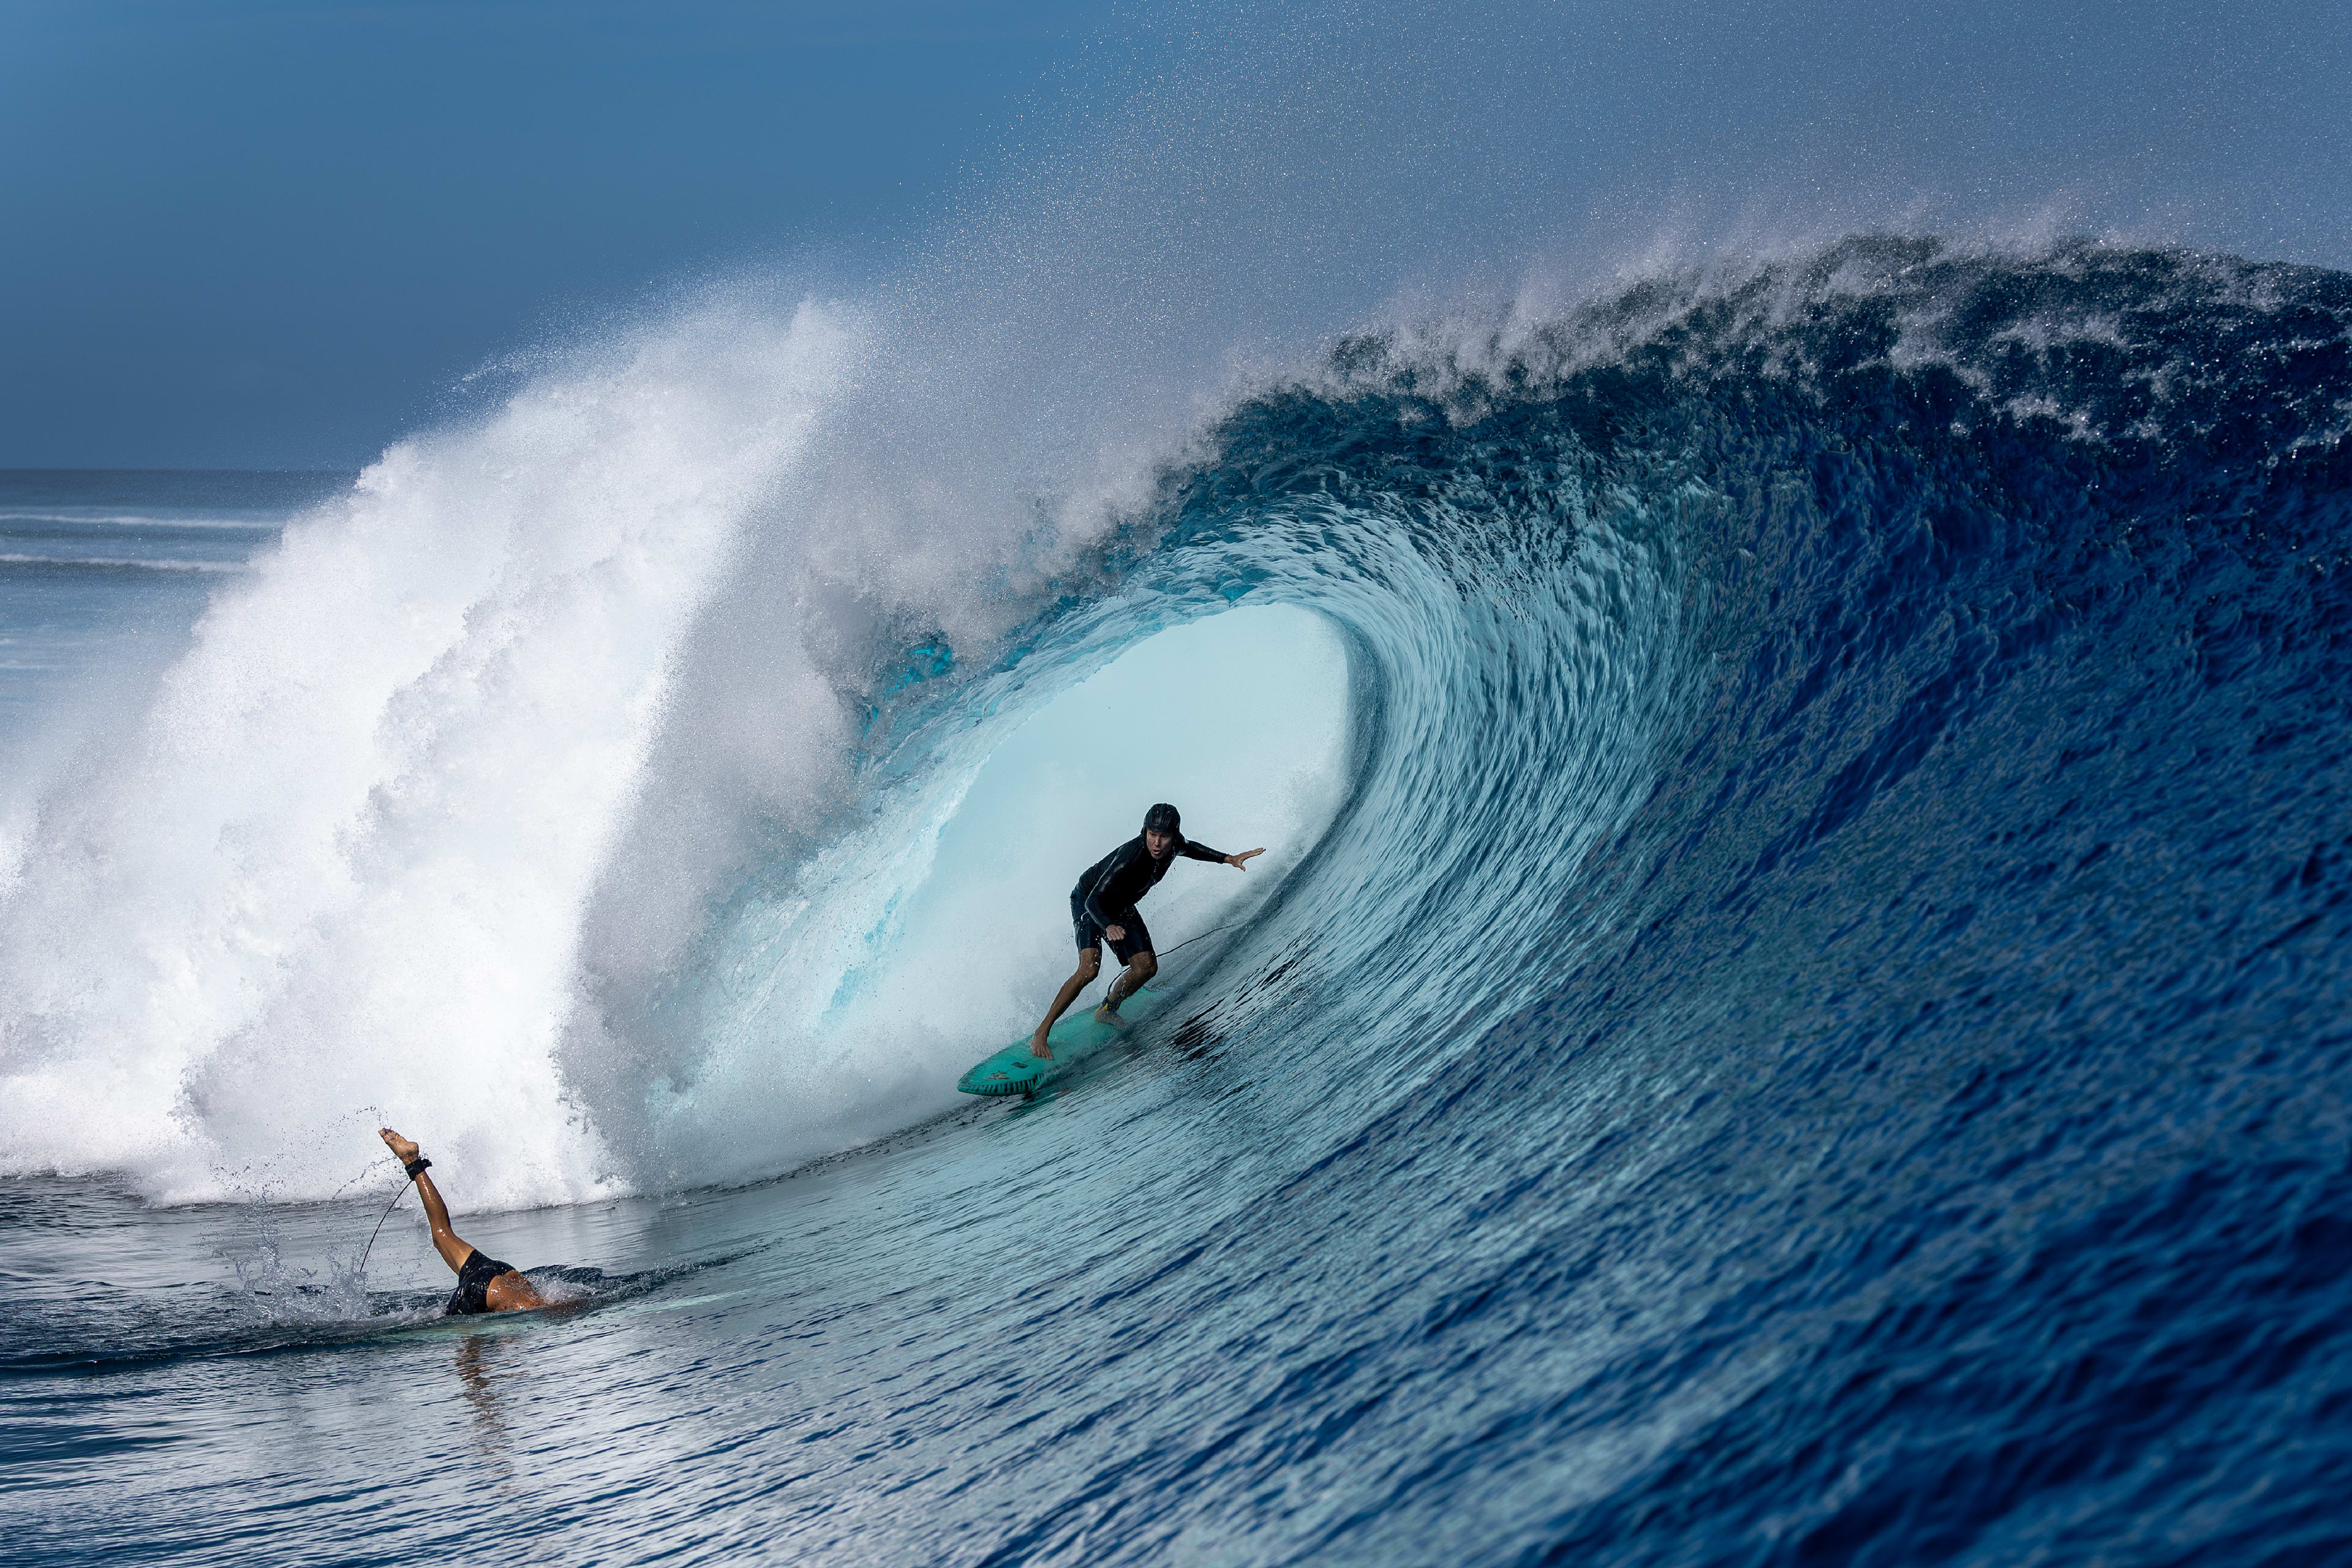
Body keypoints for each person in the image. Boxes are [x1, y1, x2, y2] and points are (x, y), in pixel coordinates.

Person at [1030, 802, 1264, 1059]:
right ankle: (1041, 1032)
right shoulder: (1130, 858)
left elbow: (1192, 849)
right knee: (1089, 970)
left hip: (1121, 904)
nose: (1157, 843)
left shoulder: (1174, 845)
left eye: (1164, 837)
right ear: (1144, 831)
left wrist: (1228, 858)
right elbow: (1093, 900)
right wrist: (1108, 925)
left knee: (1147, 968)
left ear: (1174, 835)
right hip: (1091, 900)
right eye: (1152, 835)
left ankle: (1108, 1008)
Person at [376, 1128, 547, 1314]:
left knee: (442, 1234)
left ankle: (412, 1162)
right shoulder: (536, 1310)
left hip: (500, 1270)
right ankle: (411, 1162)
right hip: (485, 1292)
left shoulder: (541, 1302)